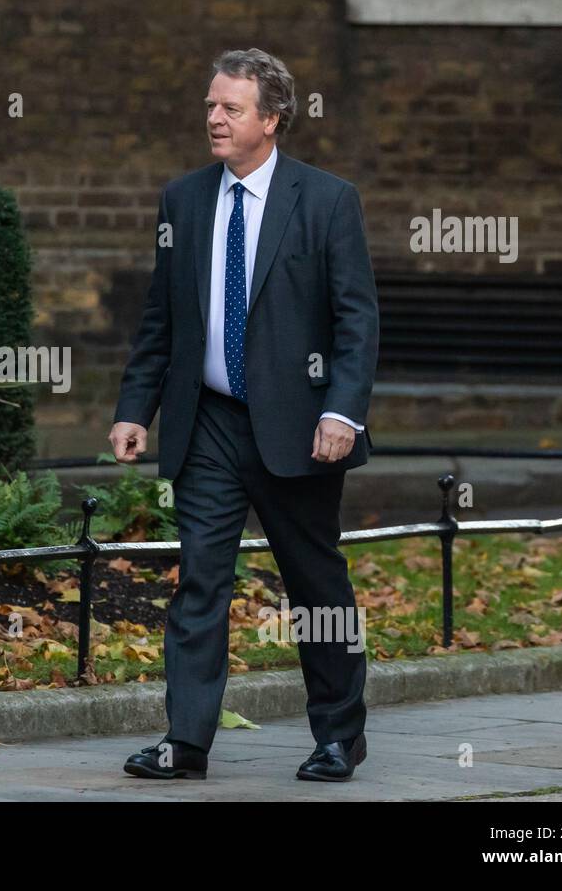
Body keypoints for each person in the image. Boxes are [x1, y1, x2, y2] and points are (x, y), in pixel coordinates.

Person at [109, 48, 379, 782]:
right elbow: (161, 317)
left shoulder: (326, 201)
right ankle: (186, 741)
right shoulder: (185, 200)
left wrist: (342, 414)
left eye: (230, 108)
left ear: (272, 118)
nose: (214, 119)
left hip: (299, 430)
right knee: (200, 579)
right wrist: (137, 407)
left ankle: (337, 736)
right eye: (209, 106)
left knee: (314, 585)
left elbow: (356, 320)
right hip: (209, 425)